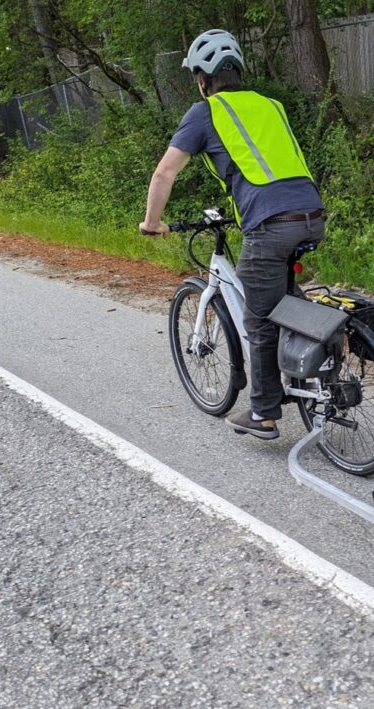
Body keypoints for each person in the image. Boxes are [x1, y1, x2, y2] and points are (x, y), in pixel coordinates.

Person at [140, 29, 324, 440]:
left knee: (258, 319)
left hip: (270, 224)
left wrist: (152, 223)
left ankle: (263, 414)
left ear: (202, 79)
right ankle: (322, 360)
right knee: (283, 300)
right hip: (312, 213)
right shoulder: (271, 105)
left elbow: (164, 172)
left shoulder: (205, 112)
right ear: (237, 71)